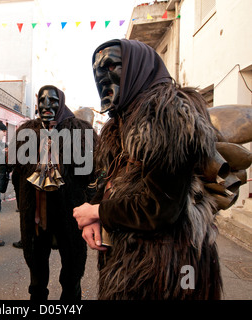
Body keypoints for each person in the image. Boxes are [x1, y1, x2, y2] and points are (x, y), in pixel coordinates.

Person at [73, 39, 222, 299]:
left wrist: (96, 211)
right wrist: (95, 216)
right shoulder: (121, 121)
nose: (102, 79)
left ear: (136, 69)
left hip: (166, 266)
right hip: (129, 260)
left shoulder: (165, 116)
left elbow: (160, 207)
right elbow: (112, 178)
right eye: (97, 72)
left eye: (112, 67)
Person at [12, 85, 97, 300]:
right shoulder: (26, 133)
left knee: (72, 274)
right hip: (35, 219)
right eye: (42, 100)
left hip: (70, 216)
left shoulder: (79, 132)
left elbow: (92, 175)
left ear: (62, 103)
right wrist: (24, 204)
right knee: (37, 276)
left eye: (53, 101)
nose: (46, 106)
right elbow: (17, 173)